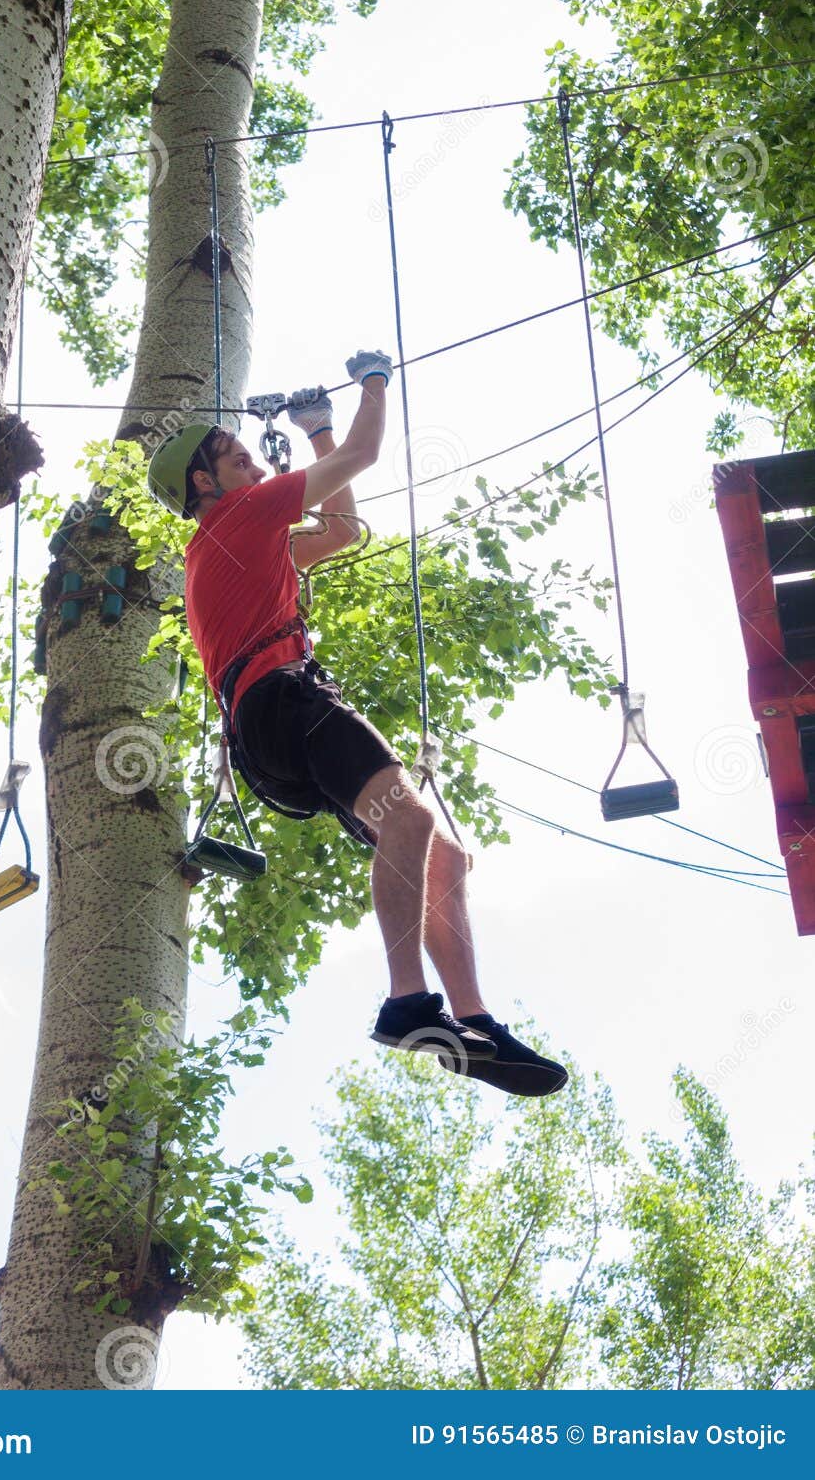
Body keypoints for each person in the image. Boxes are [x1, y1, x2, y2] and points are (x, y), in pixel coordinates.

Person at [147, 351, 567, 1096]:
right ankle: (407, 1000)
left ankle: (469, 1018)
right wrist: (373, 380)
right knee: (408, 825)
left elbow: (340, 531)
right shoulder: (238, 517)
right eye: (236, 457)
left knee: (443, 858)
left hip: (272, 726)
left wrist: (313, 435)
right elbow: (364, 455)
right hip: (287, 701)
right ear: (205, 485)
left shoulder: (239, 540)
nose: (250, 463)